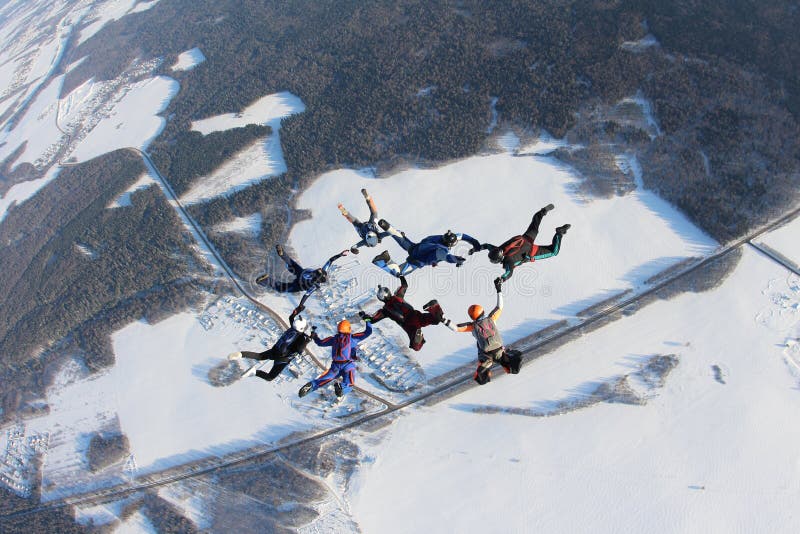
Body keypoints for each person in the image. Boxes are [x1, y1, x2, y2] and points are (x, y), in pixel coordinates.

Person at [444, 279, 521, 385]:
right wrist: (498, 289)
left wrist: (443, 319)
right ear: (482, 311)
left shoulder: (473, 326)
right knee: (511, 365)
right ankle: (508, 368)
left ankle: (485, 376)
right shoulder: (491, 319)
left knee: (481, 373)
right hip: (499, 353)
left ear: (471, 316)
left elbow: (456, 328)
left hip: (487, 357)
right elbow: (500, 306)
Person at [481, 204, 570, 287]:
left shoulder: (508, 261)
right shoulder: (499, 249)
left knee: (553, 252)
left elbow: (509, 273)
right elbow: (487, 246)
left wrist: (502, 279)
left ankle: (559, 233)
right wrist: (476, 248)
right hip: (527, 238)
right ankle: (542, 211)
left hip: (532, 251)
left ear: (498, 260)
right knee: (535, 223)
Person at [359, 276, 445, 351]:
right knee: (434, 319)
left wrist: (364, 316)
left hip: (408, 324)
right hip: (416, 315)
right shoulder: (398, 296)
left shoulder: (385, 310)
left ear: (381, 299)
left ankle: (417, 338)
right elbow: (404, 285)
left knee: (416, 346)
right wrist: (400, 275)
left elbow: (372, 320)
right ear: (388, 292)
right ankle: (435, 307)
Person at [372, 219, 482, 277]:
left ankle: (386, 226)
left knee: (401, 238)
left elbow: (462, 236)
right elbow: (447, 257)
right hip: (417, 260)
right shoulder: (442, 250)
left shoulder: (444, 237)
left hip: (416, 247)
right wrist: (456, 259)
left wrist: (474, 242)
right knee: (399, 273)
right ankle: (384, 259)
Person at [228, 307, 313, 381]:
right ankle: (254, 372)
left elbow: (291, 318)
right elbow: (299, 349)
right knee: (270, 377)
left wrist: (295, 313)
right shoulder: (302, 338)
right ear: (302, 328)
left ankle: (240, 354)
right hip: (283, 359)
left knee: (259, 356)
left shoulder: (292, 329)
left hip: (275, 349)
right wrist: (308, 340)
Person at [298, 318, 373, 398]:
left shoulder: (333, 339)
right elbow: (368, 332)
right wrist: (367, 320)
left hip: (335, 366)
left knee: (325, 379)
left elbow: (320, 343)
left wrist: (315, 336)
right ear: (348, 329)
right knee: (349, 383)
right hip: (348, 365)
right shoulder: (352, 338)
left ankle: (312, 385)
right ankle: (341, 388)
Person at [256, 245, 349, 308]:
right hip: (299, 285)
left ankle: (282, 253)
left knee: (291, 263)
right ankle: (265, 280)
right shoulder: (315, 286)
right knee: (281, 288)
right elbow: (306, 296)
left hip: (302, 272)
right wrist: (300, 305)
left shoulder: (324, 270)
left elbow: (331, 260)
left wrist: (341, 254)